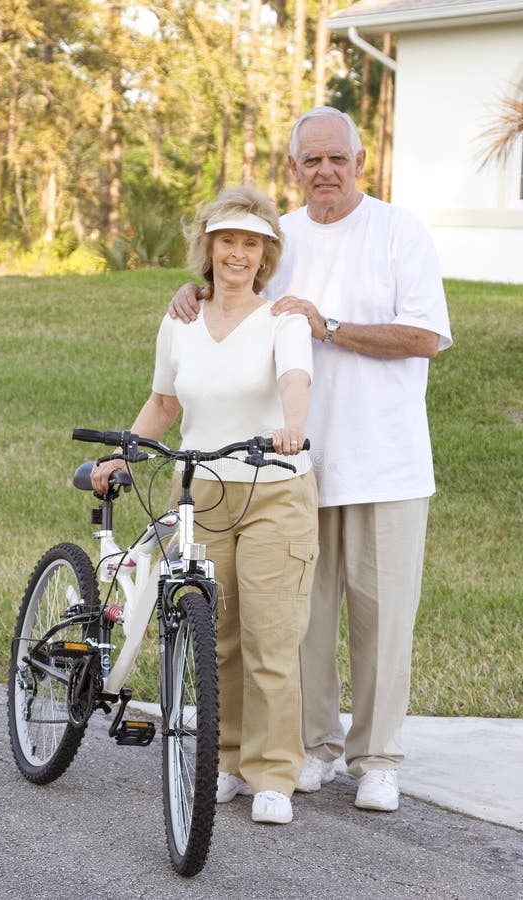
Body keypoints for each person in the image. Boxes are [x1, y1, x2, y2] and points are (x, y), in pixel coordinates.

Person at [169, 107, 453, 813]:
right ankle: (314, 747)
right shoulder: (281, 238)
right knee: (297, 625)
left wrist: (332, 329)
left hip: (386, 463)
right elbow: (236, 287)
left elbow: (425, 336)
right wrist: (194, 292)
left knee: (382, 622)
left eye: (338, 158)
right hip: (287, 470)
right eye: (312, 160)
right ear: (293, 167)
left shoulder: (398, 231)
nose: (325, 171)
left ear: (361, 162)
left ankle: (377, 759)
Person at [92, 184, 320, 825]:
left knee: (270, 637)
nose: (238, 254)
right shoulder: (181, 318)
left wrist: (293, 426)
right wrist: (125, 452)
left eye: (251, 243)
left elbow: (294, 379)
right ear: (209, 248)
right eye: (227, 241)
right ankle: (225, 760)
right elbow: (164, 402)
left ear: (266, 255)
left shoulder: (284, 320)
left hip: (274, 487)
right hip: (199, 492)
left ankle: (274, 773)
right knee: (213, 636)